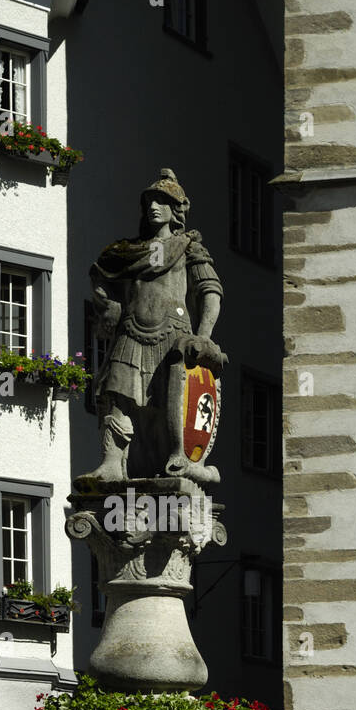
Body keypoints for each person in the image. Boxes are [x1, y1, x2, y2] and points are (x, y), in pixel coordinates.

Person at [87, 168, 225, 482]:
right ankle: (112, 462)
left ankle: (178, 459)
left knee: (170, 404)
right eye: (149, 201)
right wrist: (108, 306)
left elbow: (210, 292)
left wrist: (203, 337)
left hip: (173, 337)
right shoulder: (128, 251)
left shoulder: (188, 247)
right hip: (131, 331)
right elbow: (99, 274)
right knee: (116, 394)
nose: (153, 207)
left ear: (176, 209)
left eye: (161, 201)